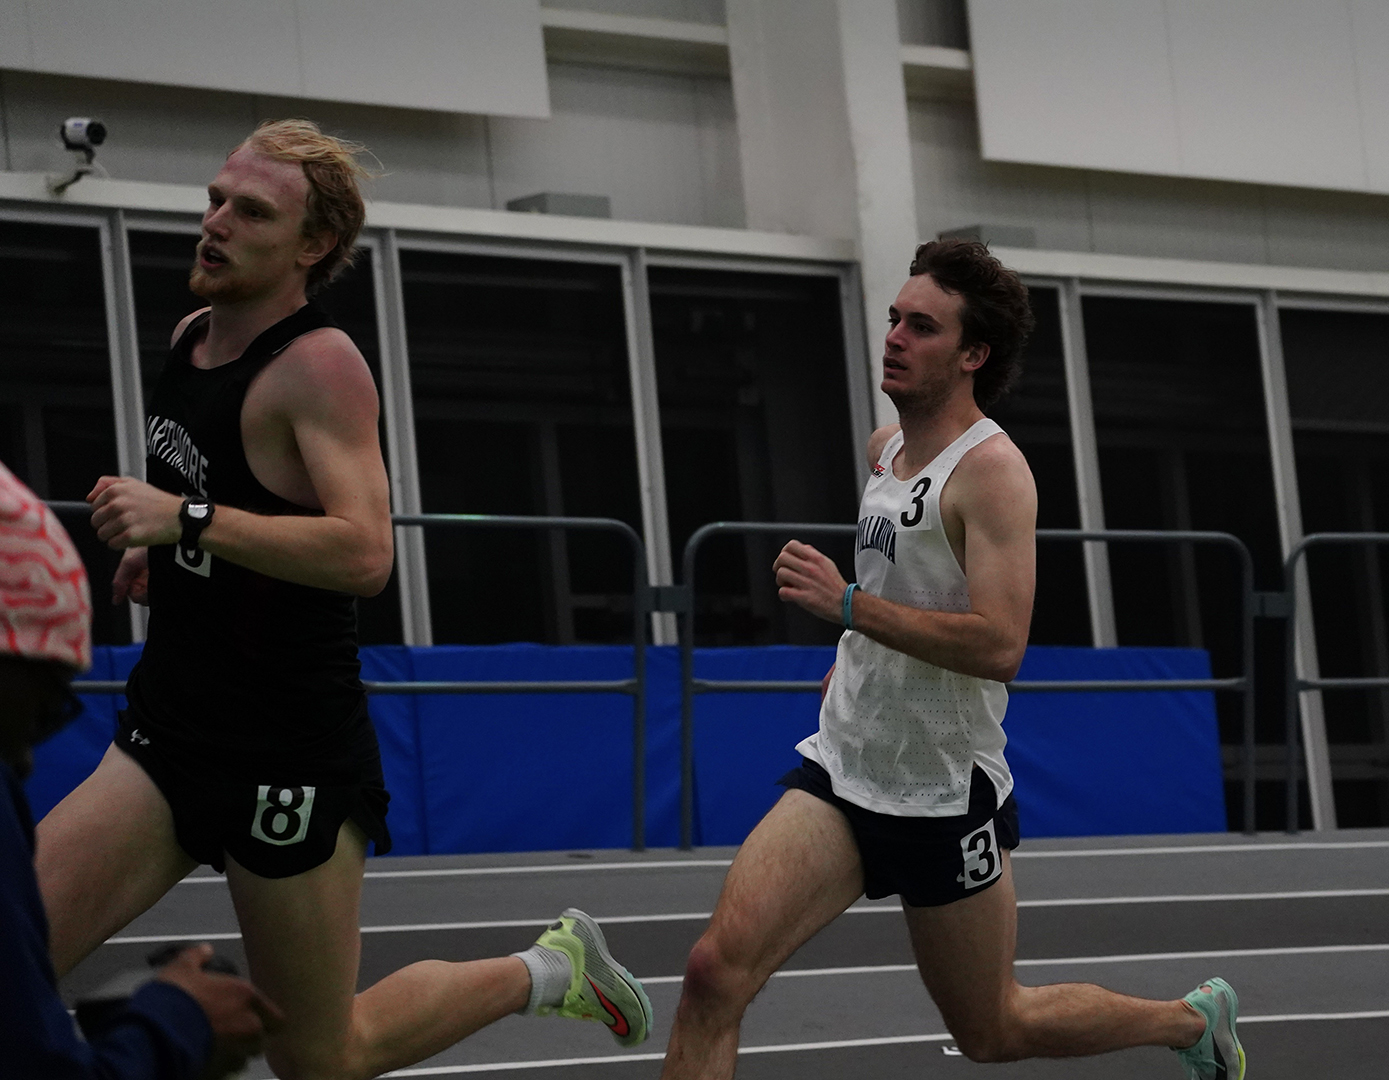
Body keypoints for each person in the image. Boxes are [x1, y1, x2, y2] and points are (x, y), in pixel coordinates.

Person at [33, 119, 651, 1080]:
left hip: (288, 755)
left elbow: (365, 552)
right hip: (167, 732)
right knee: (13, 957)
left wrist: (186, 520)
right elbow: (231, 506)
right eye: (215, 200)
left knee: (319, 1059)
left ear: (312, 245)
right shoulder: (191, 336)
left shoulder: (321, 365)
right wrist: (170, 558)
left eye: (251, 211)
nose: (216, 223)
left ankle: (547, 967)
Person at [659, 239, 1246, 1079]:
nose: (895, 336)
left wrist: (850, 609)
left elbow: (1001, 645)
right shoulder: (885, 449)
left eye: (922, 326)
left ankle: (1190, 1023)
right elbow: (905, 576)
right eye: (895, 318)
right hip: (847, 766)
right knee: (713, 972)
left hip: (940, 792)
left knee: (992, 1030)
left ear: (973, 354)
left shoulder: (996, 474)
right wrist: (858, 644)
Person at [1, 459, 284, 1080]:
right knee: (322, 1055)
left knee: (323, 1053)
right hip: (187, 734)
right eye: (37, 712)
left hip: (237, 734)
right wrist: (174, 1021)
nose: (24, 760)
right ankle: (543, 971)